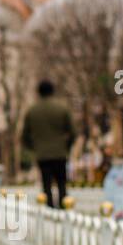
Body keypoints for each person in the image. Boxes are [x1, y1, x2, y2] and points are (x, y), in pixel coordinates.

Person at [21, 79, 76, 208]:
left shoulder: (32, 111)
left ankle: (50, 209)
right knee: (62, 184)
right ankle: (63, 210)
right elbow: (72, 132)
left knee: (46, 185)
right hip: (60, 154)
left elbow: (24, 136)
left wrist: (35, 148)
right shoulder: (62, 108)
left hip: (42, 155)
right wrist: (66, 147)